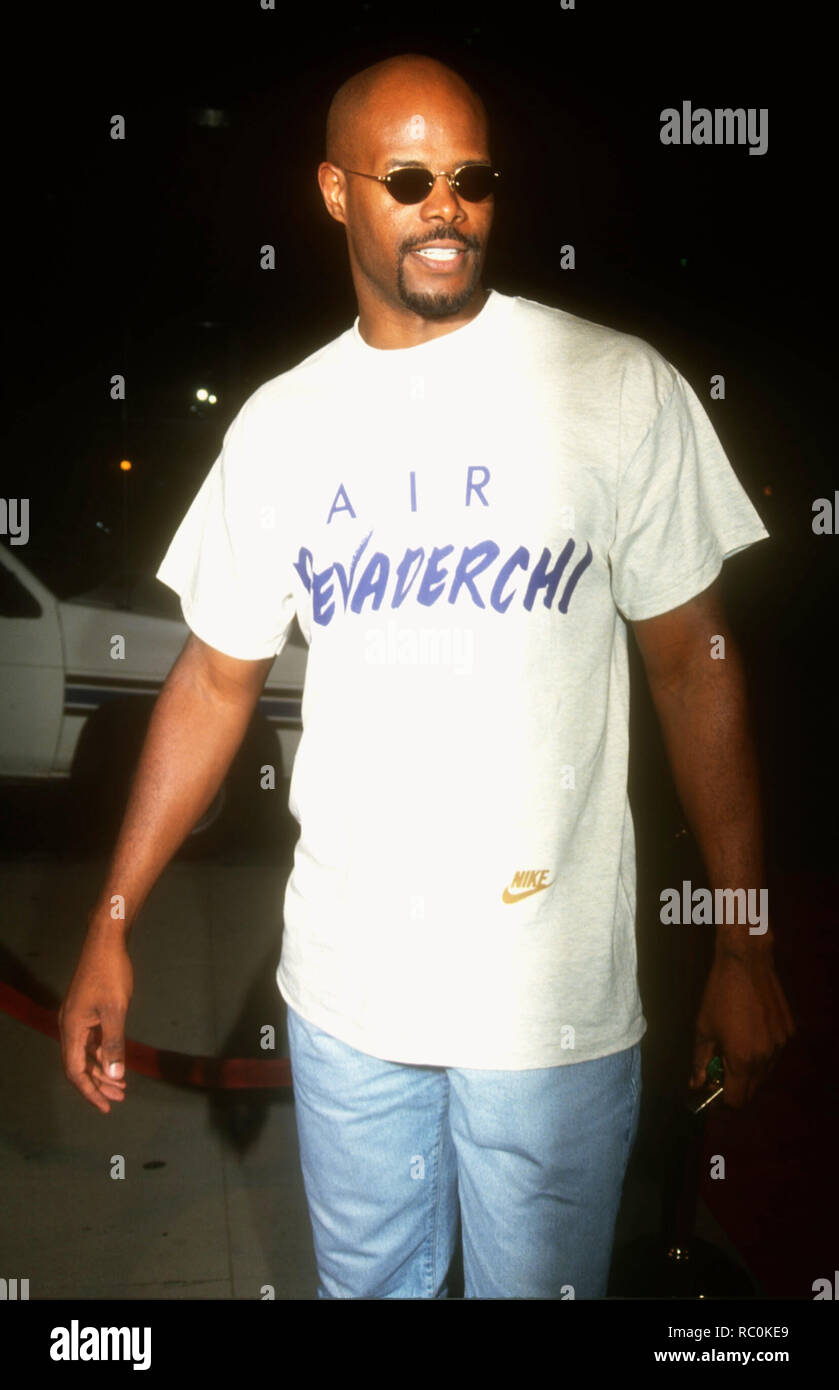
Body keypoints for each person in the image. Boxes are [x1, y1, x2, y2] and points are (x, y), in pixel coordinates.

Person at [59, 52, 796, 1300]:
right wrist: (112, 919)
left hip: (551, 1012)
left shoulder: (613, 387)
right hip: (351, 1000)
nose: (443, 204)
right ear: (335, 194)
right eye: (405, 178)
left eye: (470, 176)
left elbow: (692, 668)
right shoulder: (284, 426)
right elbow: (212, 682)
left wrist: (742, 938)